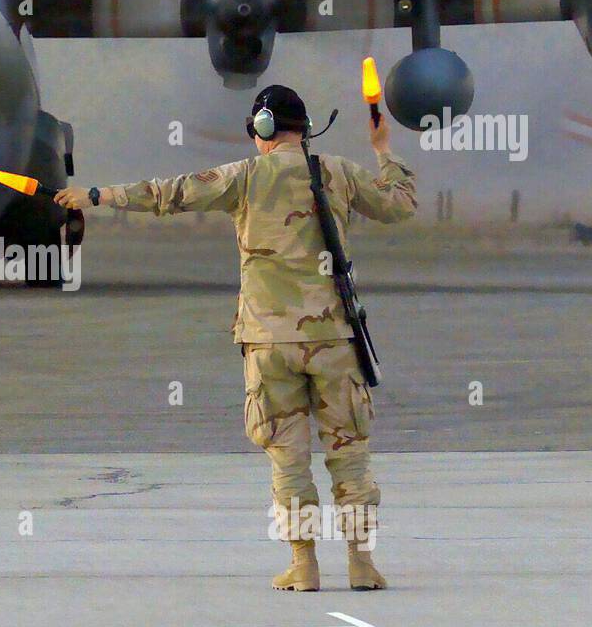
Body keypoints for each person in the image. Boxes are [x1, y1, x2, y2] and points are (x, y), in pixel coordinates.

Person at [54, 85, 417, 591]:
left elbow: (168, 193)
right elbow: (399, 204)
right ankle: (361, 563)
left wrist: (96, 196)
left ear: (262, 128)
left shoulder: (243, 177)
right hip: (335, 340)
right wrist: (382, 149)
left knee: (288, 458)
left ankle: (304, 565)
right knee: (349, 451)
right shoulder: (338, 172)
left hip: (268, 343)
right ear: (305, 129)